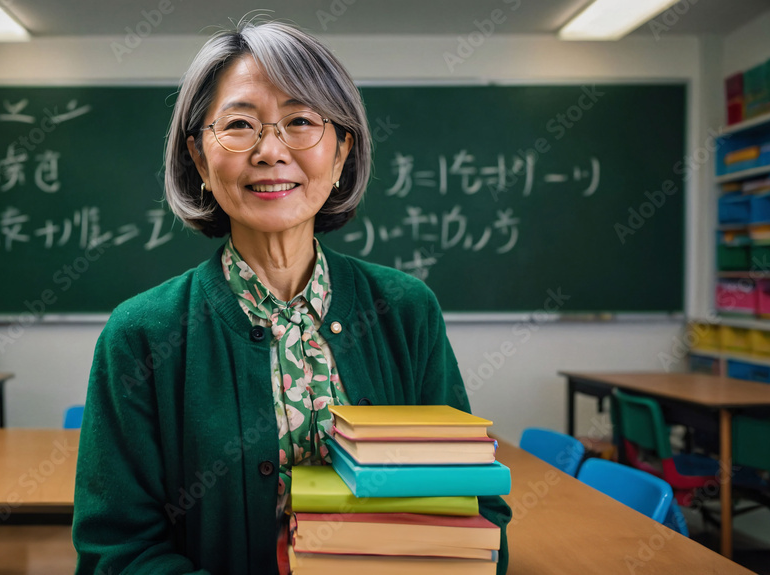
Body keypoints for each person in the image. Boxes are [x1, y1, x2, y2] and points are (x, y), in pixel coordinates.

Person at [72, 17, 511, 575]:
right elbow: (117, 552)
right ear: (201, 159)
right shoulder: (140, 335)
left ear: (342, 151)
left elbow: (474, 505)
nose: (270, 151)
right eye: (239, 125)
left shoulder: (405, 310)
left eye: (301, 120)